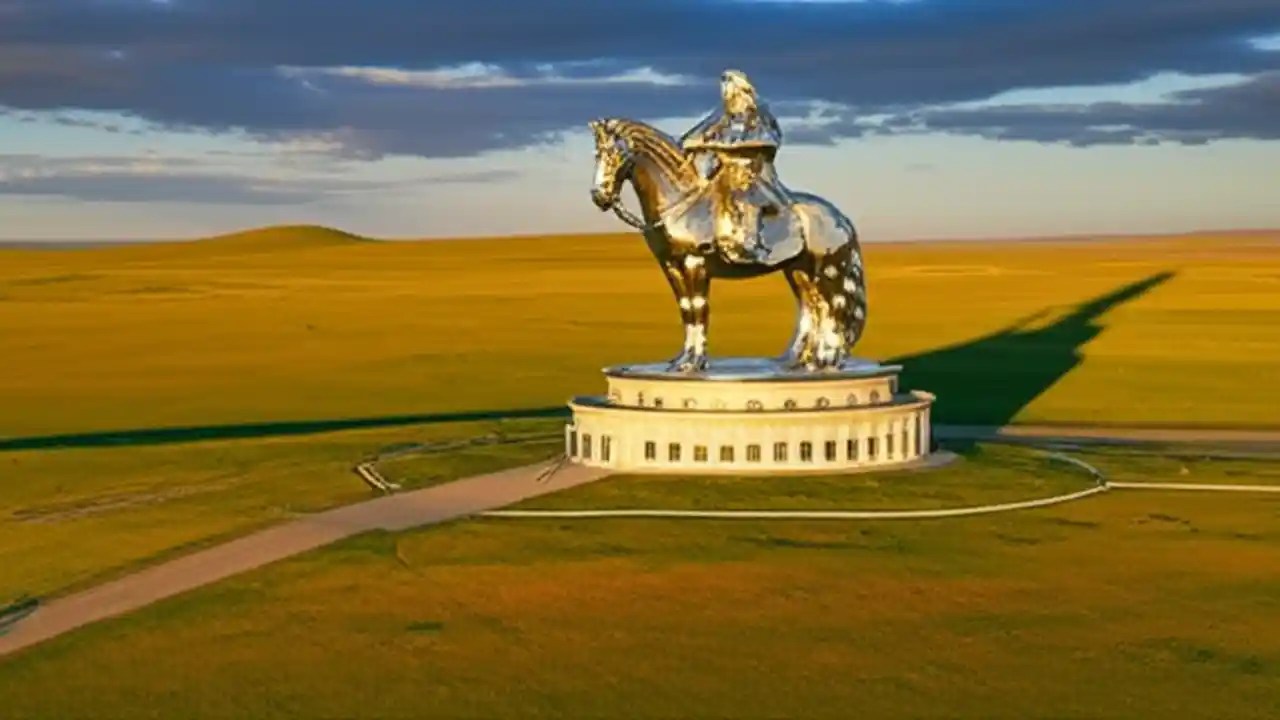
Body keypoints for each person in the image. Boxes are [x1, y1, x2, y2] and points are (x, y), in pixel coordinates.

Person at [680, 70, 793, 262]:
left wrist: (727, 147)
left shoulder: (758, 113)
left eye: (728, 83)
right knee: (699, 194)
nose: (724, 88)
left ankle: (751, 242)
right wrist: (692, 142)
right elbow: (701, 131)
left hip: (751, 170)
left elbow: (770, 139)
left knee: (746, 197)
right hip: (725, 169)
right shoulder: (723, 114)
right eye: (723, 83)